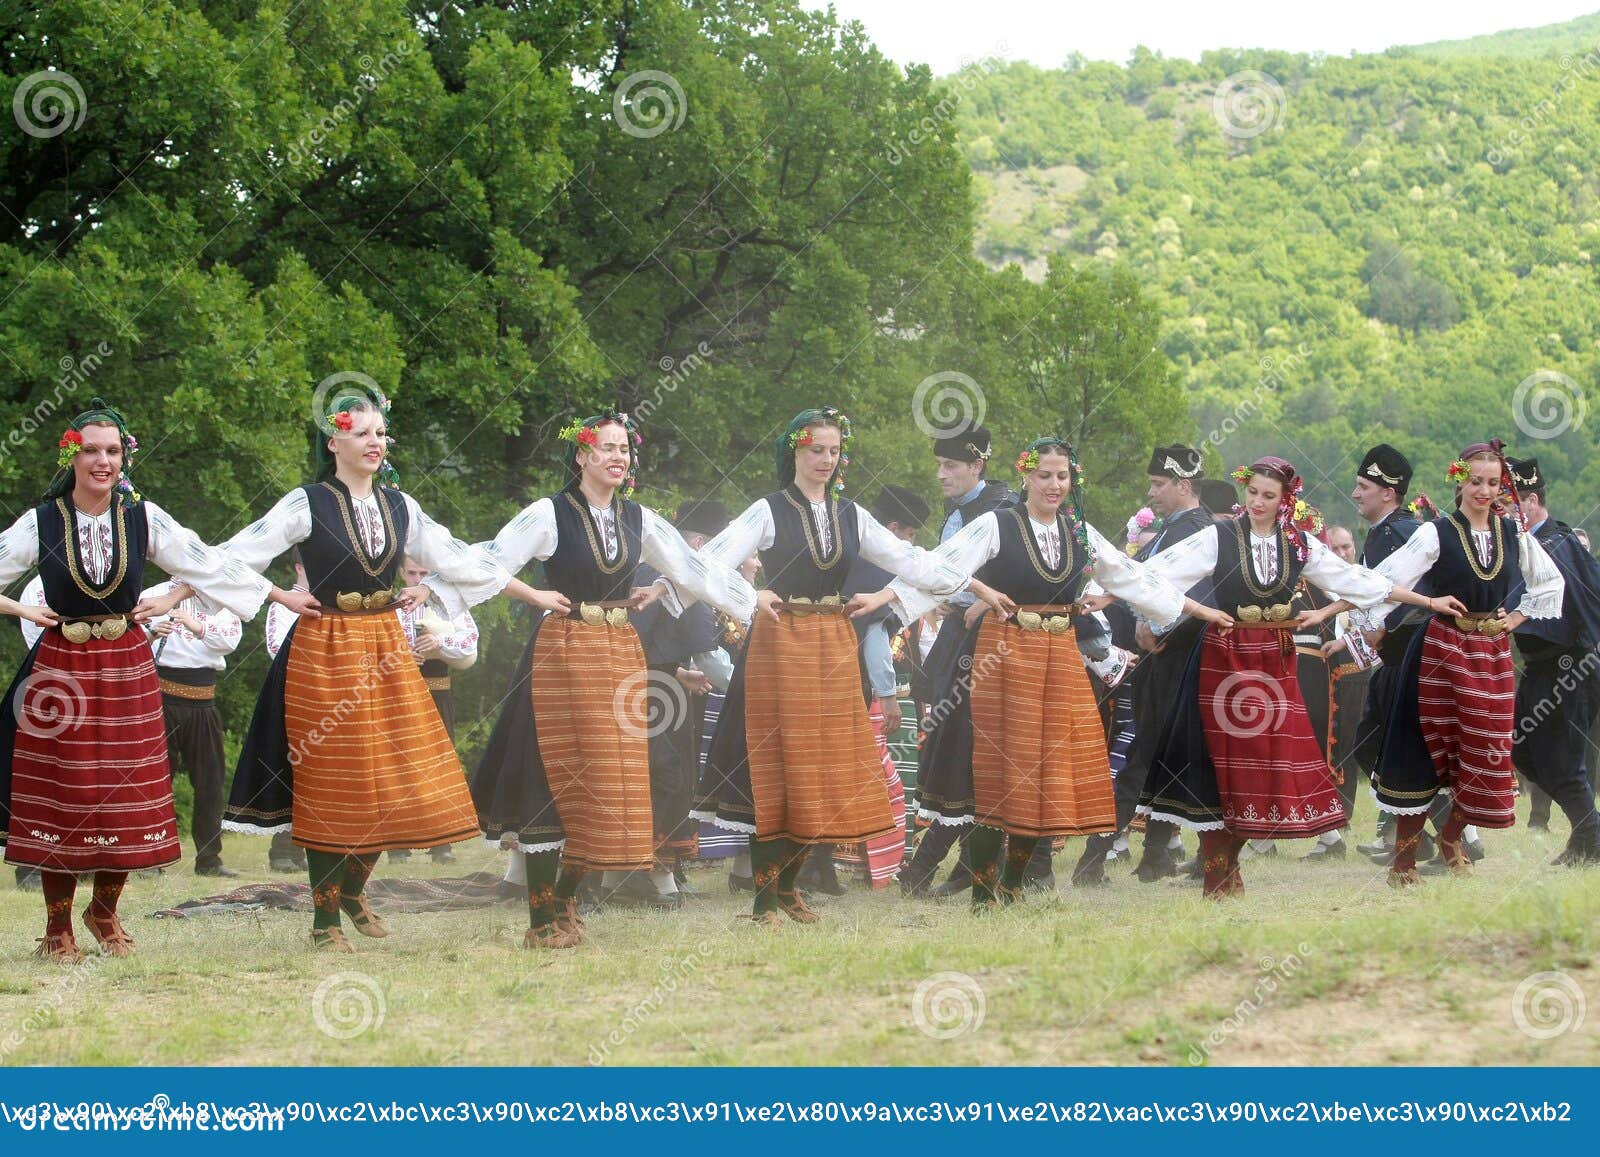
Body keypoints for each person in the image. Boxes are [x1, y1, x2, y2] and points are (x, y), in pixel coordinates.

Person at [221, 385, 515, 951]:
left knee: (392, 778)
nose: (375, 442)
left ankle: (354, 891)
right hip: (325, 649)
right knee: (335, 782)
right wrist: (276, 594)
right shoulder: (306, 502)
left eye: (381, 434)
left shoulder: (401, 506)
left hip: (385, 646)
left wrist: (432, 586)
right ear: (334, 442)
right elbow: (235, 553)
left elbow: (462, 558)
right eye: (362, 434)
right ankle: (324, 919)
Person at [694, 407, 1007, 926]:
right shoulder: (769, 510)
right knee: (781, 765)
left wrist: (970, 584)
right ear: (795, 451)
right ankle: (764, 898)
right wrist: (750, 593)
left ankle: (791, 888)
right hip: (782, 641)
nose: (826, 459)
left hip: (833, 645)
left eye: (834, 451)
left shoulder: (851, 515)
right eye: (816, 449)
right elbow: (711, 559)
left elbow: (915, 562)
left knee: (820, 765)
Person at [460, 411, 757, 948]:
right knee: (556, 775)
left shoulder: (639, 519)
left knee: (611, 779)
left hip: (620, 651)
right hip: (565, 651)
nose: (618, 457)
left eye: (624, 449)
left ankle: (567, 902)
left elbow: (692, 566)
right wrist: (532, 595)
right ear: (581, 455)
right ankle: (540, 919)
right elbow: (490, 561)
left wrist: (678, 591)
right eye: (607, 448)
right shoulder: (549, 514)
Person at [891, 438, 1224, 908]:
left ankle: (1016, 882)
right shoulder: (998, 523)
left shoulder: (1079, 531)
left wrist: (1192, 608)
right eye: (1044, 475)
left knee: (1044, 769)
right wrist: (890, 603)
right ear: (1026, 475)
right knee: (996, 770)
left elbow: (1130, 576)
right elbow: (939, 568)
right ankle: (985, 889)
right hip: (1001, 655)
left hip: (1058, 656)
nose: (1054, 485)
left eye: (1062, 476)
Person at [0, 400, 272, 962]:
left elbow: (210, 565)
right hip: (63, 668)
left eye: (114, 451)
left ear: (125, 457)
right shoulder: (42, 521)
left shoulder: (145, 518)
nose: (104, 462)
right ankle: (57, 928)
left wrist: (184, 594)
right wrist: (22, 611)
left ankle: (103, 912)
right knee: (67, 791)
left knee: (123, 791)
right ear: (72, 455)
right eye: (93, 451)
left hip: (126, 666)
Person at [1136, 456, 1454, 897]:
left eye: (1269, 496)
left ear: (1285, 499)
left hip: (1274, 659)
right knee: (1220, 764)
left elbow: (1355, 580)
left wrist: (1428, 603)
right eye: (1253, 494)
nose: (1258, 503)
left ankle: (1231, 860)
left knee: (1266, 766)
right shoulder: (1220, 535)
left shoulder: (1298, 544)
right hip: (1223, 659)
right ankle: (1217, 871)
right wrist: (1196, 609)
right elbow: (1156, 575)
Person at [1359, 440, 1563, 886]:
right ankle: (1403, 863)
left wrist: (1513, 619)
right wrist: (1410, 609)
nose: (1484, 491)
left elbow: (1549, 583)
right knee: (1422, 751)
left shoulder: (1513, 534)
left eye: (1493, 483)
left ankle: (1453, 838)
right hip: (1438, 652)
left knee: (1486, 752)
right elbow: (1383, 581)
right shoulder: (1437, 532)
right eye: (1476, 481)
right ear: (1459, 481)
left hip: (1490, 656)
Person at [1076, 445, 1216, 885]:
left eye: (1159, 485)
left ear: (1184, 486)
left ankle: (1100, 859)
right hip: (1164, 658)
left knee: (1150, 756)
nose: (1151, 493)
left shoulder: (1199, 531)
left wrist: (1149, 621)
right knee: (1158, 755)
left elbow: (1195, 595)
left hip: (1181, 655)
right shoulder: (1169, 529)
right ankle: (1153, 853)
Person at [898, 426, 1013, 898]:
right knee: (949, 743)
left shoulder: (1002, 511)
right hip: (955, 637)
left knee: (966, 746)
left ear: (976, 467)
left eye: (951, 467)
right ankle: (969, 862)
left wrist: (983, 603)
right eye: (939, 465)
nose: (940, 474)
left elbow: (1024, 579)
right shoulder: (959, 511)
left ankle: (938, 866)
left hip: (987, 641)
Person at [1506, 457, 1600, 866]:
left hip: (1568, 665)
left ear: (1529, 501)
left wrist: (1497, 618)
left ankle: (1590, 839)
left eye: (1505, 506)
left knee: (1561, 759)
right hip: (1544, 665)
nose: (1500, 514)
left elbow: (1564, 611)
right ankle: (1586, 837)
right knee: (1525, 751)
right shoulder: (1535, 543)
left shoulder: (1555, 545)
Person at [140, 577, 243, 878]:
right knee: (156, 781)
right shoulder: (153, 595)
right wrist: (150, 632)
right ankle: (151, 857)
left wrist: (197, 626)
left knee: (210, 781)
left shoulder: (221, 594)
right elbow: (128, 640)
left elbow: (230, 639)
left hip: (204, 698)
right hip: (161, 698)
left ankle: (209, 859)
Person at [390, 555, 480, 866]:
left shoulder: (450, 606)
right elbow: (370, 651)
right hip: (398, 695)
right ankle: (398, 844)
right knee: (398, 767)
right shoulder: (388, 606)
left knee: (439, 765)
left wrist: (439, 645)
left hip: (438, 693)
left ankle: (441, 843)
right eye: (412, 572)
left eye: (424, 573)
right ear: (402, 572)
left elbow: (470, 646)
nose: (417, 578)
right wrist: (399, 658)